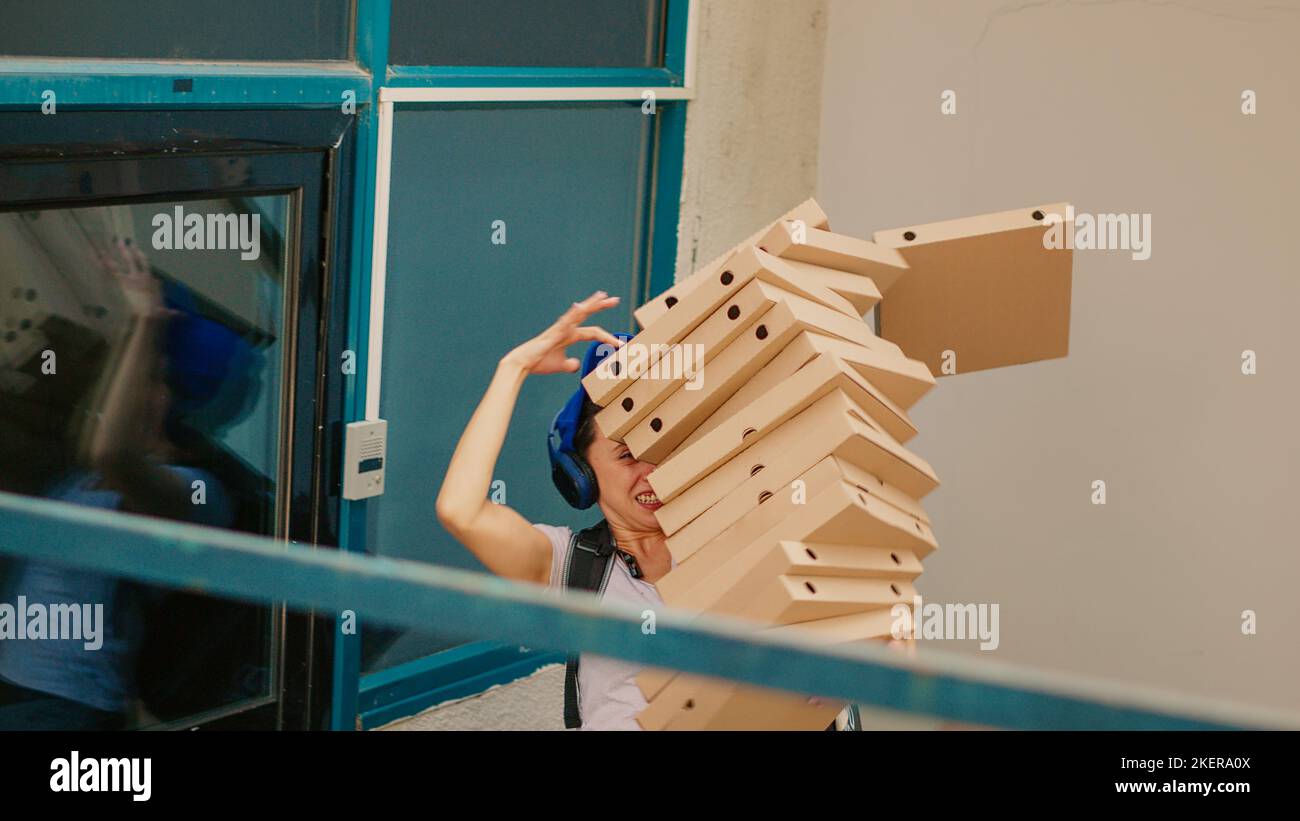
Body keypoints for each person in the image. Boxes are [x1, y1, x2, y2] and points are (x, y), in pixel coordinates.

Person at [437, 291, 672, 730]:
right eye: (626, 455)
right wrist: (514, 369)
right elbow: (460, 511)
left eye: (661, 448)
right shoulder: (570, 564)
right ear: (581, 470)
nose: (651, 470)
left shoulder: (730, 541)